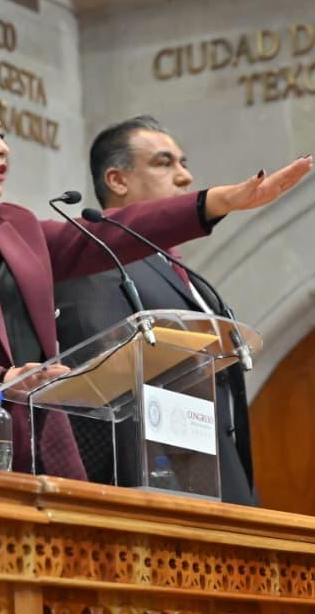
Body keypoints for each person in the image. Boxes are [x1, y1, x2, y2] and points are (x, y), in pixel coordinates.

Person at [0, 90, 311, 476]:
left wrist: (219, 201)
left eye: (2, 134)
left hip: (44, 454)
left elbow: (112, 230)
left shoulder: (15, 224)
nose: (1, 148)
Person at [55, 117, 256, 504]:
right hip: (159, 486)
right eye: (165, 163)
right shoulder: (100, 261)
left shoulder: (176, 268)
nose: (185, 177)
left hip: (214, 472)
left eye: (183, 163)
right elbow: (103, 385)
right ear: (117, 181)